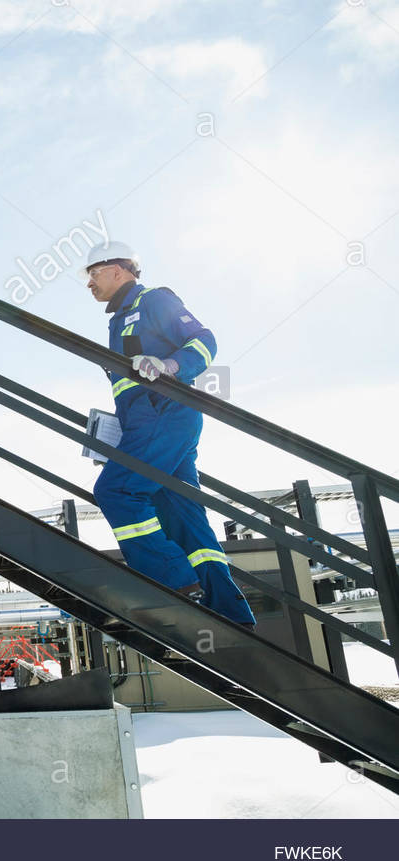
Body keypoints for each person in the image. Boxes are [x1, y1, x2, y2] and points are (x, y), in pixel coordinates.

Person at [83, 241, 255, 626]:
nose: (89, 283)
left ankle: (175, 583)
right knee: (183, 514)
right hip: (146, 420)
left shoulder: (154, 300)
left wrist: (171, 364)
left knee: (117, 490)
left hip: (163, 413)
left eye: (93, 273)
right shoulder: (119, 319)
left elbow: (204, 341)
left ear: (118, 269)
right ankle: (228, 610)